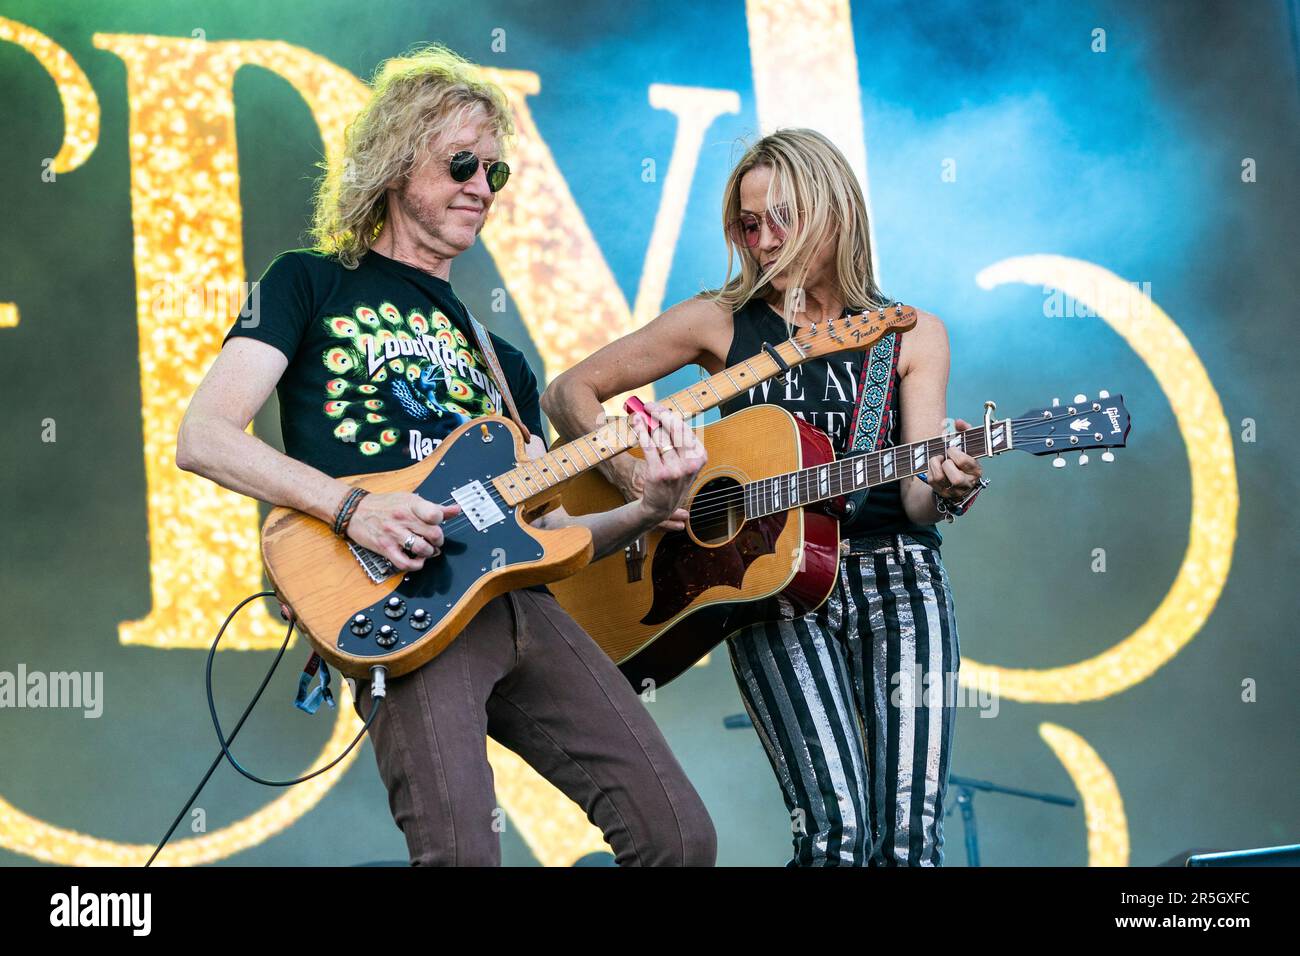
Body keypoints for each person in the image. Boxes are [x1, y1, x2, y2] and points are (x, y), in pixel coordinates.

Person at [176, 45, 716, 867]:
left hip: (519, 606)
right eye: (462, 163)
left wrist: (646, 506)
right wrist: (354, 508)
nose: (481, 188)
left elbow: (558, 535)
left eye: (494, 173)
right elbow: (204, 436)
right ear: (396, 164)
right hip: (405, 609)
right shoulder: (308, 283)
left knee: (678, 838)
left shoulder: (501, 358)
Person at [543, 128, 984, 866]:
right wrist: (636, 486)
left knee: (911, 840)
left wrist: (948, 487)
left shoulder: (911, 334)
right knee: (833, 836)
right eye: (748, 224)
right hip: (771, 583)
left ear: (833, 211)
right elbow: (569, 392)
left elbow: (915, 500)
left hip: (899, 581)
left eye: (783, 217)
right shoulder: (718, 321)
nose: (764, 239)